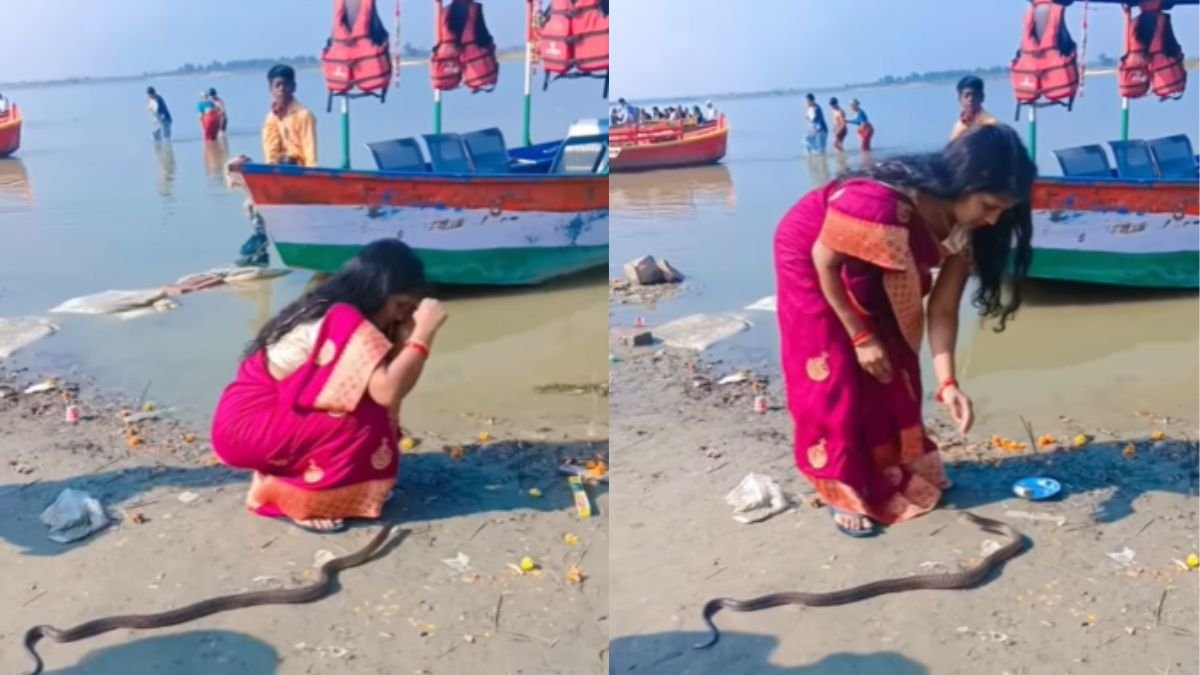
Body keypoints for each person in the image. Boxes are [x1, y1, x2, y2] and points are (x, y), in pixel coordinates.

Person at [773, 124, 1036, 536]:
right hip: (813, 257)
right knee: (835, 369)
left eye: (1002, 210)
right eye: (988, 205)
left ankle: (889, 463)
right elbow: (825, 261)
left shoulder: (966, 228)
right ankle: (841, 486)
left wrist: (948, 382)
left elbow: (943, 310)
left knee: (894, 359)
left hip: (875, 261)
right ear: (962, 182)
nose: (993, 219)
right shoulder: (879, 203)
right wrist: (861, 337)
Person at [211, 239, 449, 532]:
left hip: (247, 422)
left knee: (367, 409)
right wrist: (423, 334)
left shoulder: (327, 307)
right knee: (358, 420)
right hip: (248, 427)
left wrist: (402, 342)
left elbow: (385, 389)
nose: (401, 316)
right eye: (400, 306)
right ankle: (301, 500)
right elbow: (387, 392)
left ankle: (285, 478)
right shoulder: (344, 319)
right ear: (378, 292)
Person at [262, 64, 317, 167]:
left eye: (286, 85)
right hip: (280, 170)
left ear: (293, 87)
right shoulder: (271, 117)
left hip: (301, 170)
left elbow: (310, 153)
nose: (282, 89)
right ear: (271, 89)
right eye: (278, 85)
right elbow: (270, 154)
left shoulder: (304, 115)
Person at [950, 76, 998, 140]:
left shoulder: (991, 124)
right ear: (959, 99)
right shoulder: (958, 127)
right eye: (966, 95)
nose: (971, 99)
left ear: (982, 97)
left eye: (974, 95)